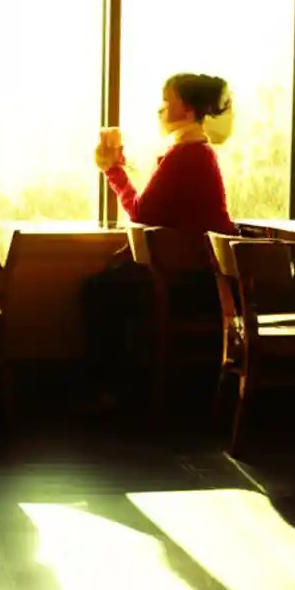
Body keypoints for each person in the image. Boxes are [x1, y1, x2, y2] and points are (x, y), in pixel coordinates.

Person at [79, 72, 237, 411]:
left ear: (190, 109)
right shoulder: (190, 152)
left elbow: (141, 213)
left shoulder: (187, 155)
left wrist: (112, 171)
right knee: (106, 286)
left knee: (98, 291)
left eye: (168, 102)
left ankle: (111, 392)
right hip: (200, 275)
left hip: (194, 281)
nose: (160, 110)